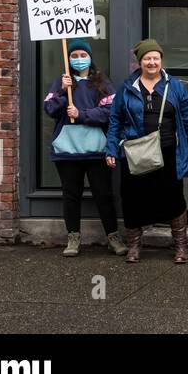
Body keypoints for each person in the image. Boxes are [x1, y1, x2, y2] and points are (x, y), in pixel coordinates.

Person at [105, 39, 188, 264]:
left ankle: (181, 246)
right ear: (140, 62)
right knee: (132, 200)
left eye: (155, 58)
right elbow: (115, 120)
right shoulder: (127, 88)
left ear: (161, 60)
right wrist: (111, 149)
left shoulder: (175, 86)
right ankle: (134, 246)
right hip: (135, 153)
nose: (152, 62)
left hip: (169, 153)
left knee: (174, 198)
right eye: (147, 58)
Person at [43, 37, 125, 258]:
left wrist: (82, 115)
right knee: (71, 195)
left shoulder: (101, 83)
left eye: (83, 55)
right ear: (68, 59)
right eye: (74, 56)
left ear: (90, 58)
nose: (79, 59)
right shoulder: (61, 83)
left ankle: (113, 237)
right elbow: (49, 109)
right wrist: (62, 91)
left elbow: (111, 112)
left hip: (96, 150)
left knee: (103, 195)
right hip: (67, 152)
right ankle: (73, 237)